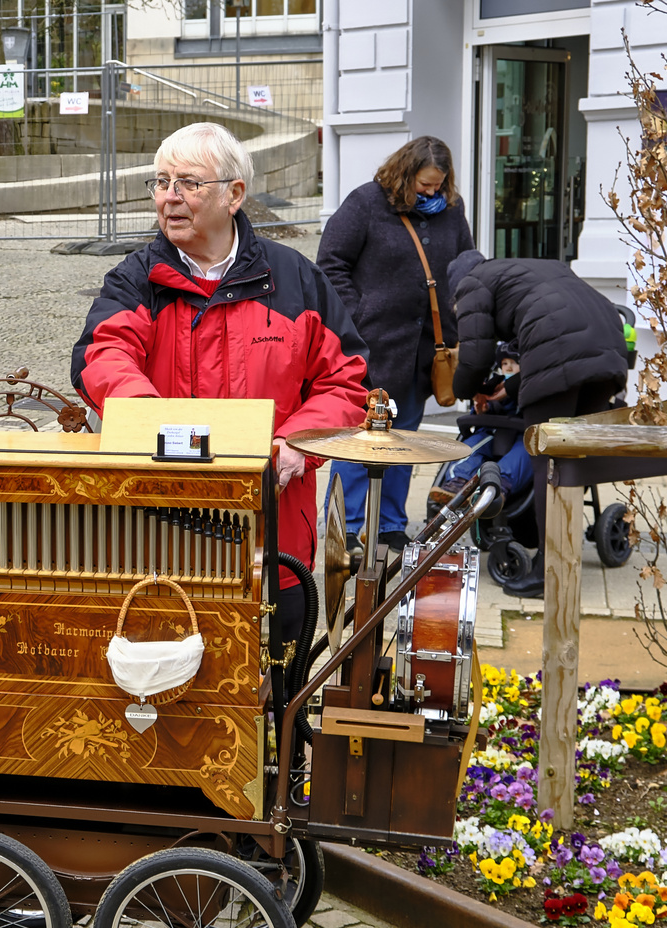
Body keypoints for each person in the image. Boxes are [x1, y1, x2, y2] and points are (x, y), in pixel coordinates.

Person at [72, 122, 369, 647]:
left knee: (275, 694)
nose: (169, 198)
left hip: (277, 537)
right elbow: (104, 354)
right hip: (159, 537)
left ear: (235, 194)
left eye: (187, 182)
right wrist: (155, 425)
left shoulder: (296, 280)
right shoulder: (135, 278)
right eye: (161, 183)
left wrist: (299, 444)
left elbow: (345, 381)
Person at [317, 136, 476, 555]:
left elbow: (466, 264)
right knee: (357, 437)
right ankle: (346, 528)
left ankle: (389, 525)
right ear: (405, 175)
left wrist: (460, 316)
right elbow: (331, 261)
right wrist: (355, 316)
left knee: (404, 440)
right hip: (371, 346)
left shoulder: (452, 211)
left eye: (438, 186)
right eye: (424, 185)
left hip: (425, 349)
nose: (431, 194)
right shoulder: (367, 203)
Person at [447, 250, 631, 599]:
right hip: (609, 349)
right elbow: (556, 332)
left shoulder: (470, 283)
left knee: (548, 463)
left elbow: (475, 357)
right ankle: (565, 557)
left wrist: (465, 391)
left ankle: (552, 572)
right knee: (572, 460)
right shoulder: (533, 268)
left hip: (563, 352)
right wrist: (509, 388)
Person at [429, 345, 534, 502]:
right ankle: (457, 482)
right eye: (505, 364)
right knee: (471, 447)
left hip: (522, 434)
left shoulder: (530, 387)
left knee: (522, 454)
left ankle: (498, 488)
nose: (509, 367)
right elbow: (482, 408)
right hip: (492, 431)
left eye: (514, 362)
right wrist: (482, 410)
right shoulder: (493, 385)